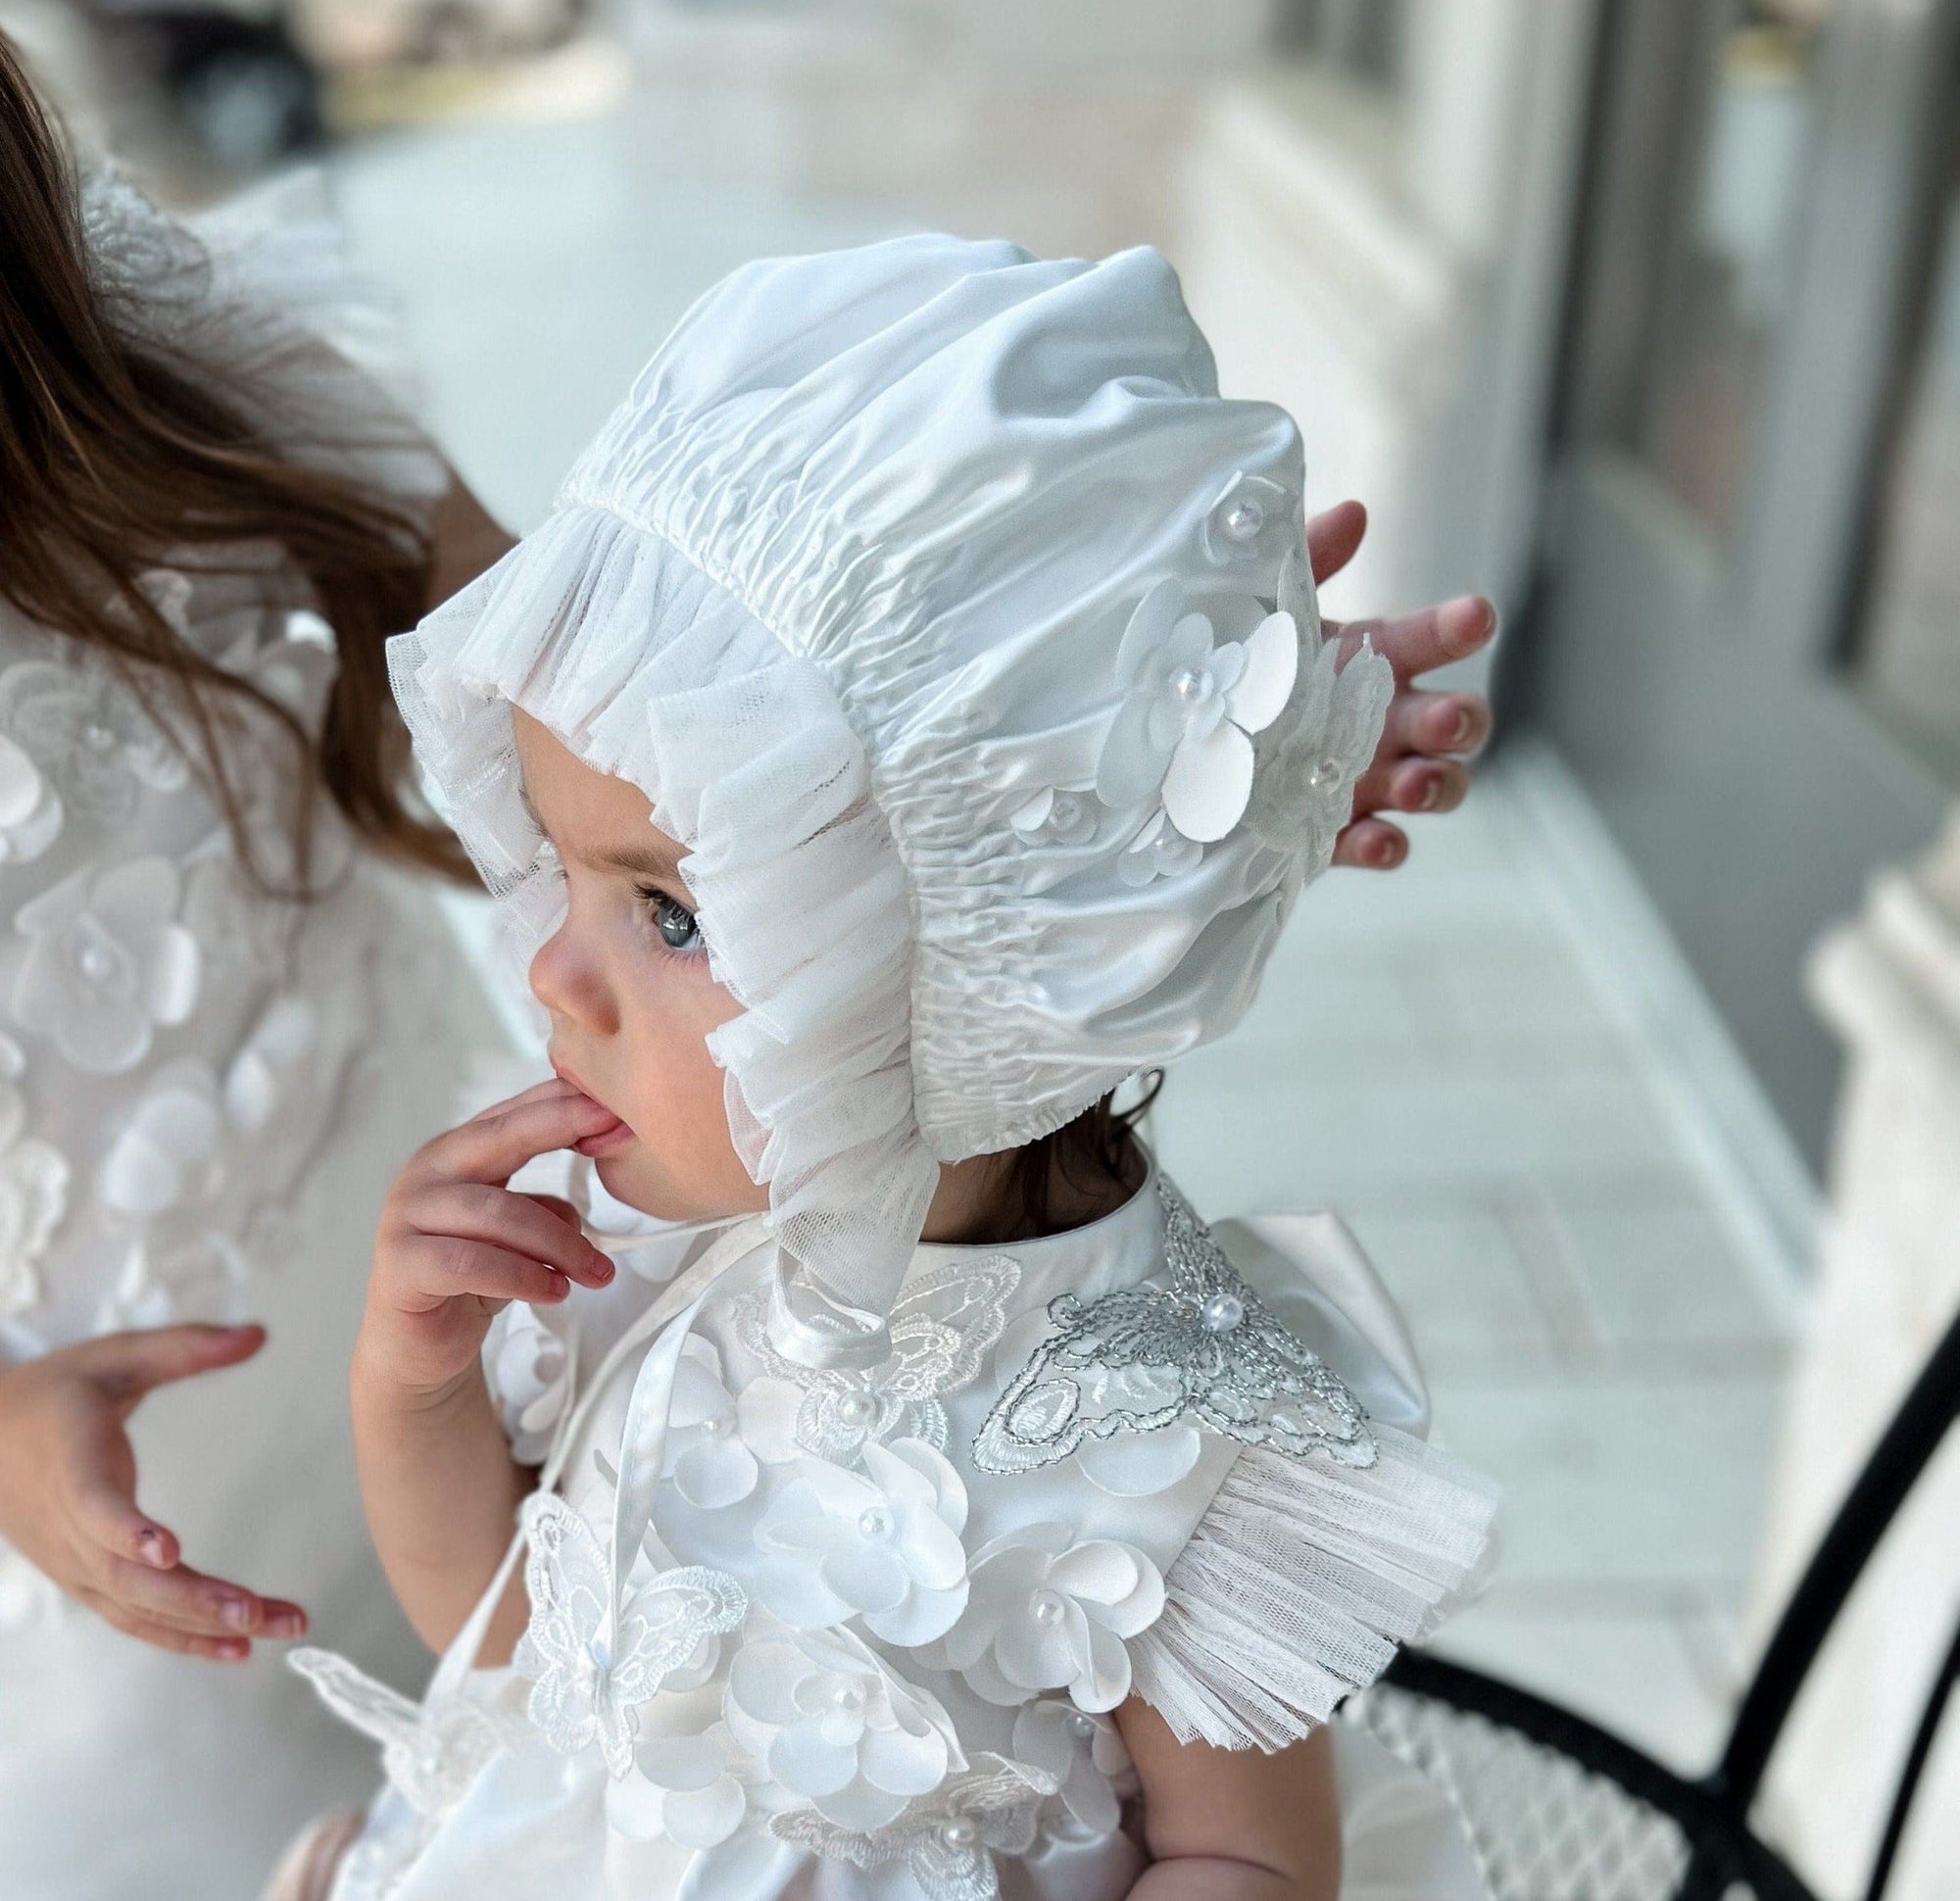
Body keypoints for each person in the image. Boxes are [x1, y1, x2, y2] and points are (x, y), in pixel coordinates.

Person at [288, 235, 1500, 1901]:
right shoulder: (644, 1247)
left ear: (960, 983)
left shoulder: (1179, 1426)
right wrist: (411, 1385)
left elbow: (1252, 1862)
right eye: (566, 879)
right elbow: (502, 1658)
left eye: (670, 913)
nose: (555, 975)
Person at [0, 33, 515, 1898]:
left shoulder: (127, 328)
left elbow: (573, 686)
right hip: (100, 1566)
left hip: (453, 1313)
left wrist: (1080, 777)